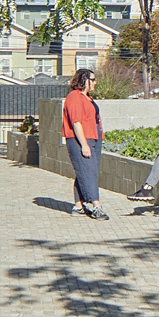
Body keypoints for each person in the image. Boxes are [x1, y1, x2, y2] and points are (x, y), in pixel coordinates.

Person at [61, 64, 105, 218]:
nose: (95, 82)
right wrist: (84, 144)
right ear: (84, 80)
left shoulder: (88, 98)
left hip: (93, 137)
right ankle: (96, 206)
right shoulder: (75, 97)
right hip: (81, 139)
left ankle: (78, 206)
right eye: (92, 79)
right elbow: (76, 122)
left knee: (86, 171)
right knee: (89, 171)